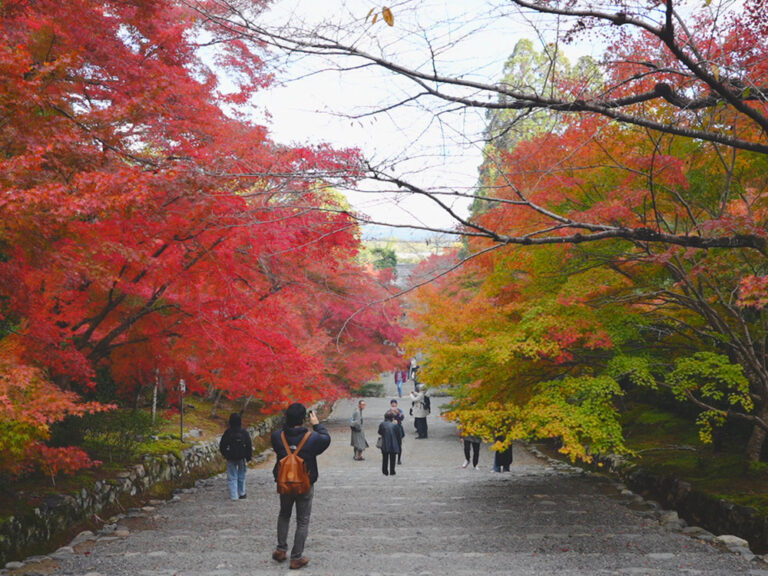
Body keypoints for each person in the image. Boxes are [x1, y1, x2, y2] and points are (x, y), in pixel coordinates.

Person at [271, 403, 331, 570]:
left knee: (284, 514)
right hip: (305, 483)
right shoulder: (312, 438)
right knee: (302, 520)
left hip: (284, 482)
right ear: (304, 419)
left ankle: (281, 549)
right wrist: (317, 424)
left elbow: (280, 446)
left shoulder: (277, 436)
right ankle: (296, 557)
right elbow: (326, 439)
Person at [219, 412, 253, 500]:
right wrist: (248, 457)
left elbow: (222, 445)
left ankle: (234, 495)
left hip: (230, 457)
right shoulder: (244, 432)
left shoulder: (228, 432)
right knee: (241, 475)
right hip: (242, 457)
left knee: (232, 476)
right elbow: (249, 445)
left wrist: (225, 454)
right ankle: (242, 492)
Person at [378, 411, 402, 476]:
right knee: (392, 459)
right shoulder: (395, 425)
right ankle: (392, 471)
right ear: (392, 418)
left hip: (385, 443)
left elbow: (379, 432)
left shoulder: (382, 424)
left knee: (385, 458)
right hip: (393, 443)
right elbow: (398, 435)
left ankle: (385, 471)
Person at [389, 399, 405, 464]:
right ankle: (392, 457)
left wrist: (398, 413)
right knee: (391, 444)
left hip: (398, 428)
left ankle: (399, 459)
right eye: (392, 403)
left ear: (396, 404)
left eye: (394, 403)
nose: (393, 404)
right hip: (391, 429)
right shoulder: (389, 411)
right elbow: (386, 419)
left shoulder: (400, 411)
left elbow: (402, 418)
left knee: (399, 444)